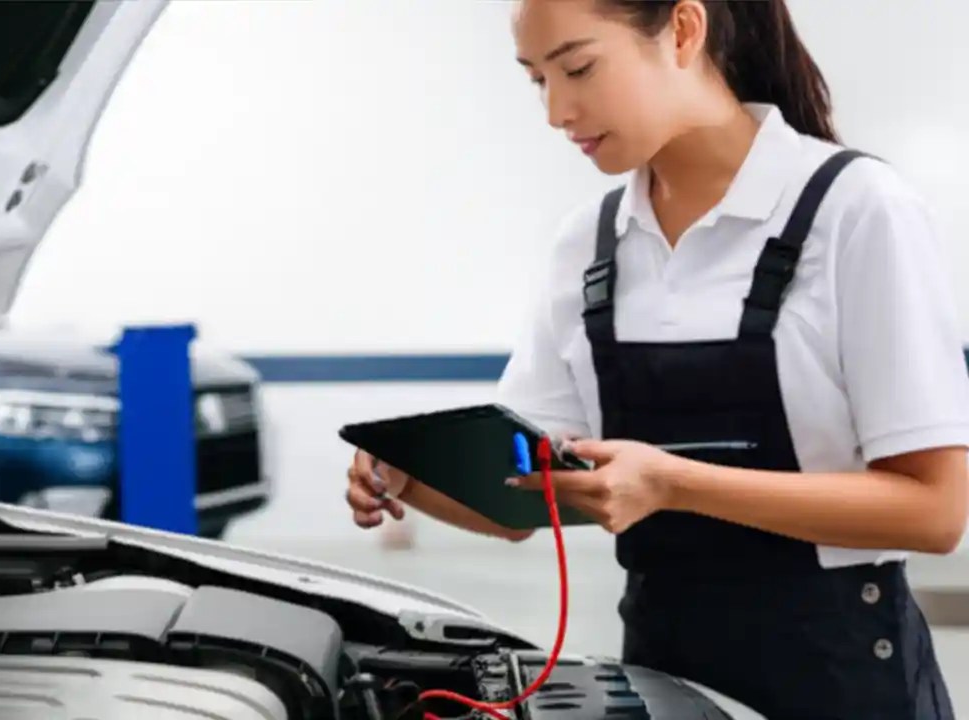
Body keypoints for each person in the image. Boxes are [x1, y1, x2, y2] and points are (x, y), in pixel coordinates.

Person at [344, 1, 969, 717]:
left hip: (845, 687)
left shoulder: (857, 210)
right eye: (538, 80)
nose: (556, 111)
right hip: (661, 688)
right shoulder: (589, 244)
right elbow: (524, 496)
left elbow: (934, 510)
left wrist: (673, 484)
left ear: (683, 30)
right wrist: (409, 476)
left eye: (579, 68)